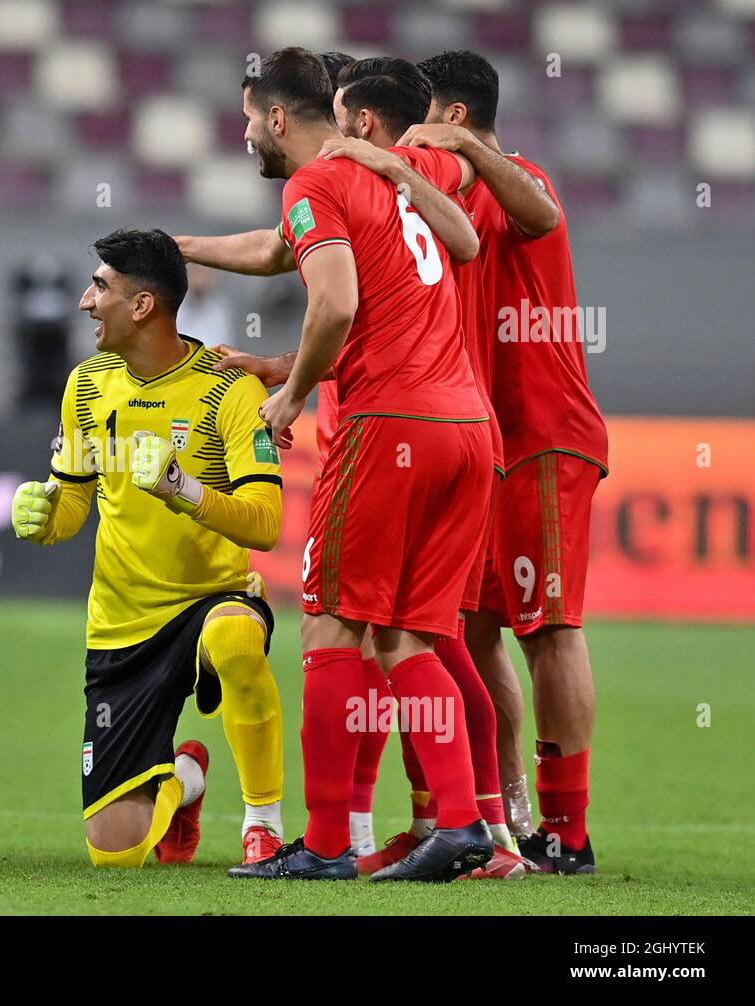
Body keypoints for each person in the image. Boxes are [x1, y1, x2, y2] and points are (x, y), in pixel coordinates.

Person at [205, 47, 492, 882]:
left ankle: (329, 842)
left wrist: (290, 395)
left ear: (281, 117)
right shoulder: (396, 169)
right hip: (465, 427)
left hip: (390, 423)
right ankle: (465, 824)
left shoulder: (315, 184)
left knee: (330, 623)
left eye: (252, 116)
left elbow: (334, 303)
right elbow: (467, 240)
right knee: (407, 637)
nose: (247, 131)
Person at [11, 229, 287, 867]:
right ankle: (186, 781)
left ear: (142, 307)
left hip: (210, 600)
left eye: (100, 287)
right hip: (120, 627)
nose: (84, 302)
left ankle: (263, 825)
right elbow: (74, 498)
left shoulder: (230, 390)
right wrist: (46, 513)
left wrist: (183, 489)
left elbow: (265, 525)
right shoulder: (85, 387)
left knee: (236, 641)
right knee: (117, 854)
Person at [408, 50, 609, 874]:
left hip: (543, 436)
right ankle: (509, 810)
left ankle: (569, 829)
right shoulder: (447, 188)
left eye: (426, 115)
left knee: (550, 629)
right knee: (474, 628)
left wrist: (472, 151)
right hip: (482, 439)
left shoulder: (517, 174)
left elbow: (545, 219)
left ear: (453, 116)